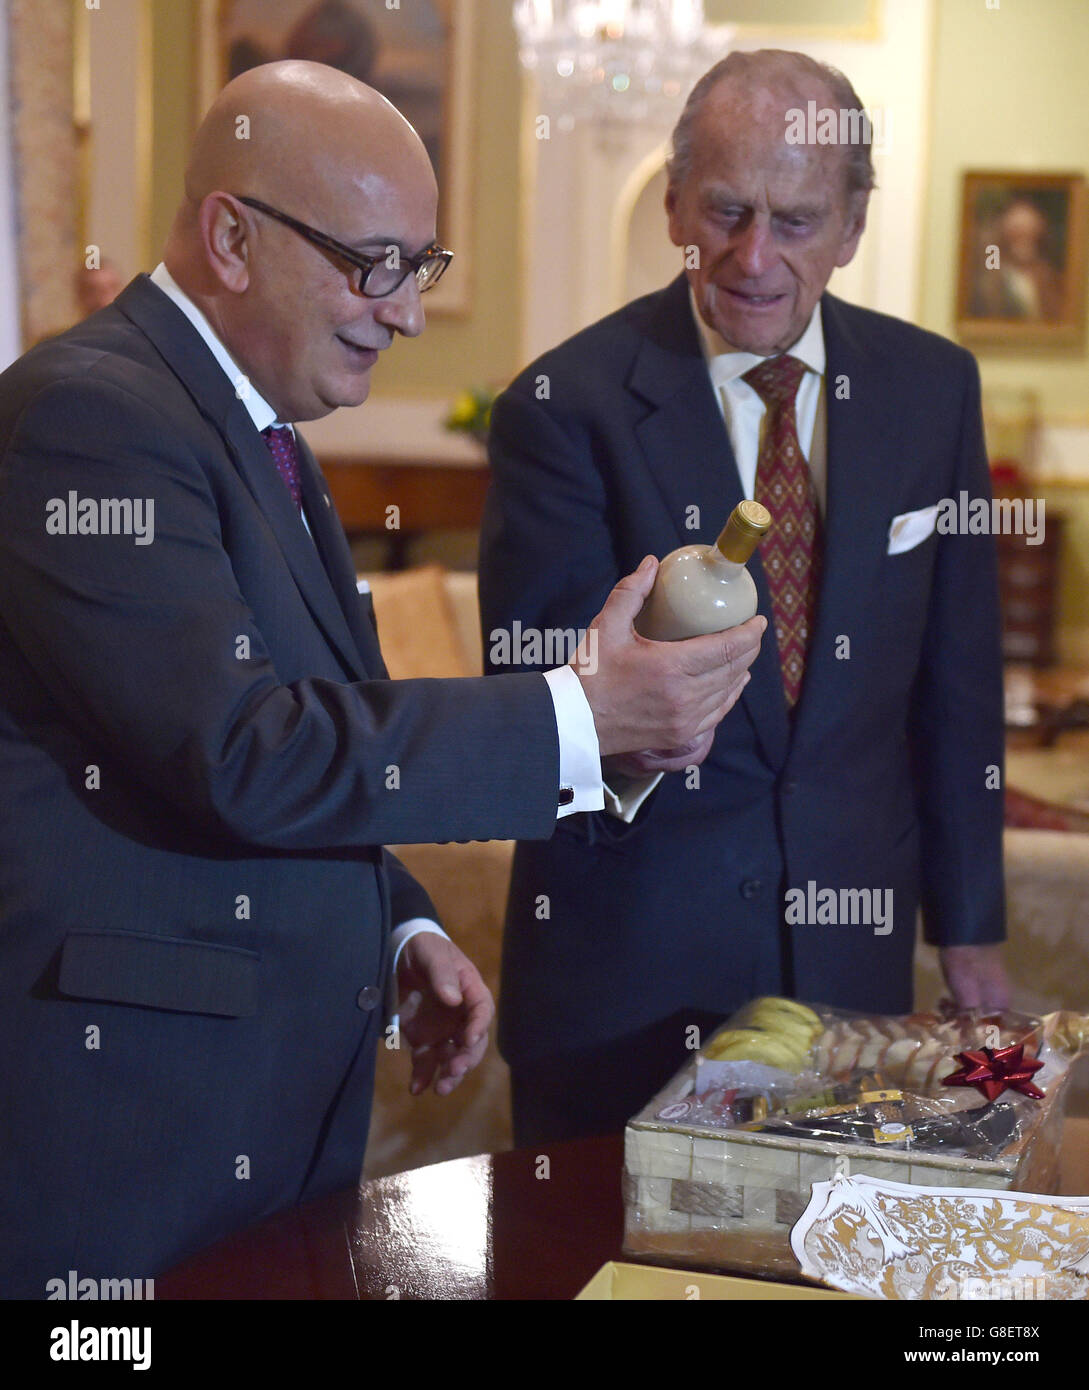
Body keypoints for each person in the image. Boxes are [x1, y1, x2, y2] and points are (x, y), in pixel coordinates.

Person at [0, 61, 763, 1297]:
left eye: (423, 268)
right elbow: (242, 748)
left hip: (256, 1102)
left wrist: (396, 914)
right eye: (376, 263)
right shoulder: (92, 418)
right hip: (130, 1136)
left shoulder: (253, 428)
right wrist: (582, 712)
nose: (405, 314)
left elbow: (297, 729)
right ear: (231, 237)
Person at [479, 49, 1010, 1147]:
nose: (754, 258)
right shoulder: (563, 403)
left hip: (851, 982)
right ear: (675, 199)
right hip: (622, 983)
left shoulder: (931, 388)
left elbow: (958, 686)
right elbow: (532, 699)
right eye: (725, 212)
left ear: (855, 224)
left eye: (797, 221)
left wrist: (970, 928)